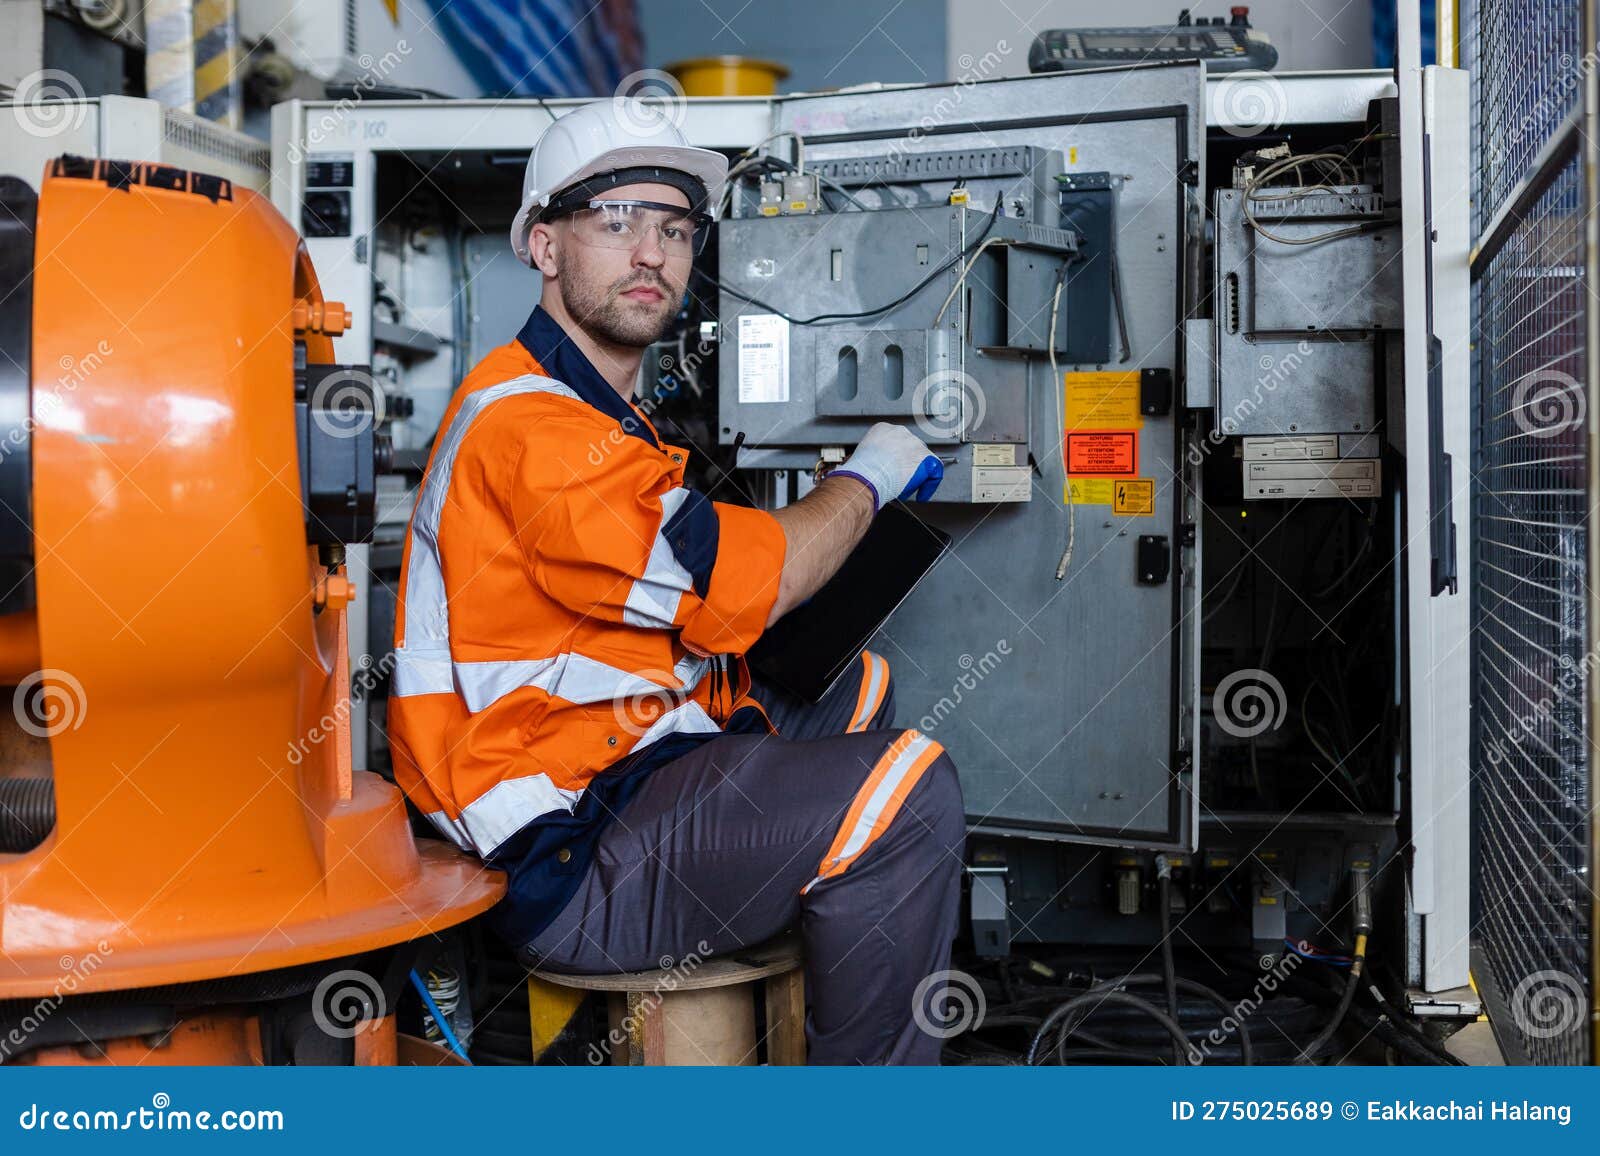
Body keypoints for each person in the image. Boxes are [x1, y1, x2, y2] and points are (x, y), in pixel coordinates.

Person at [388, 100, 965, 1063]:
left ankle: (823, 948)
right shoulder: (532, 429)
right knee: (912, 790)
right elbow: (737, 583)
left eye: (675, 227)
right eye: (615, 222)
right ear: (543, 244)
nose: (651, 252)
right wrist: (865, 480)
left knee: (859, 685)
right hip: (566, 841)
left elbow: (664, 618)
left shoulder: (604, 416)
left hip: (628, 765)